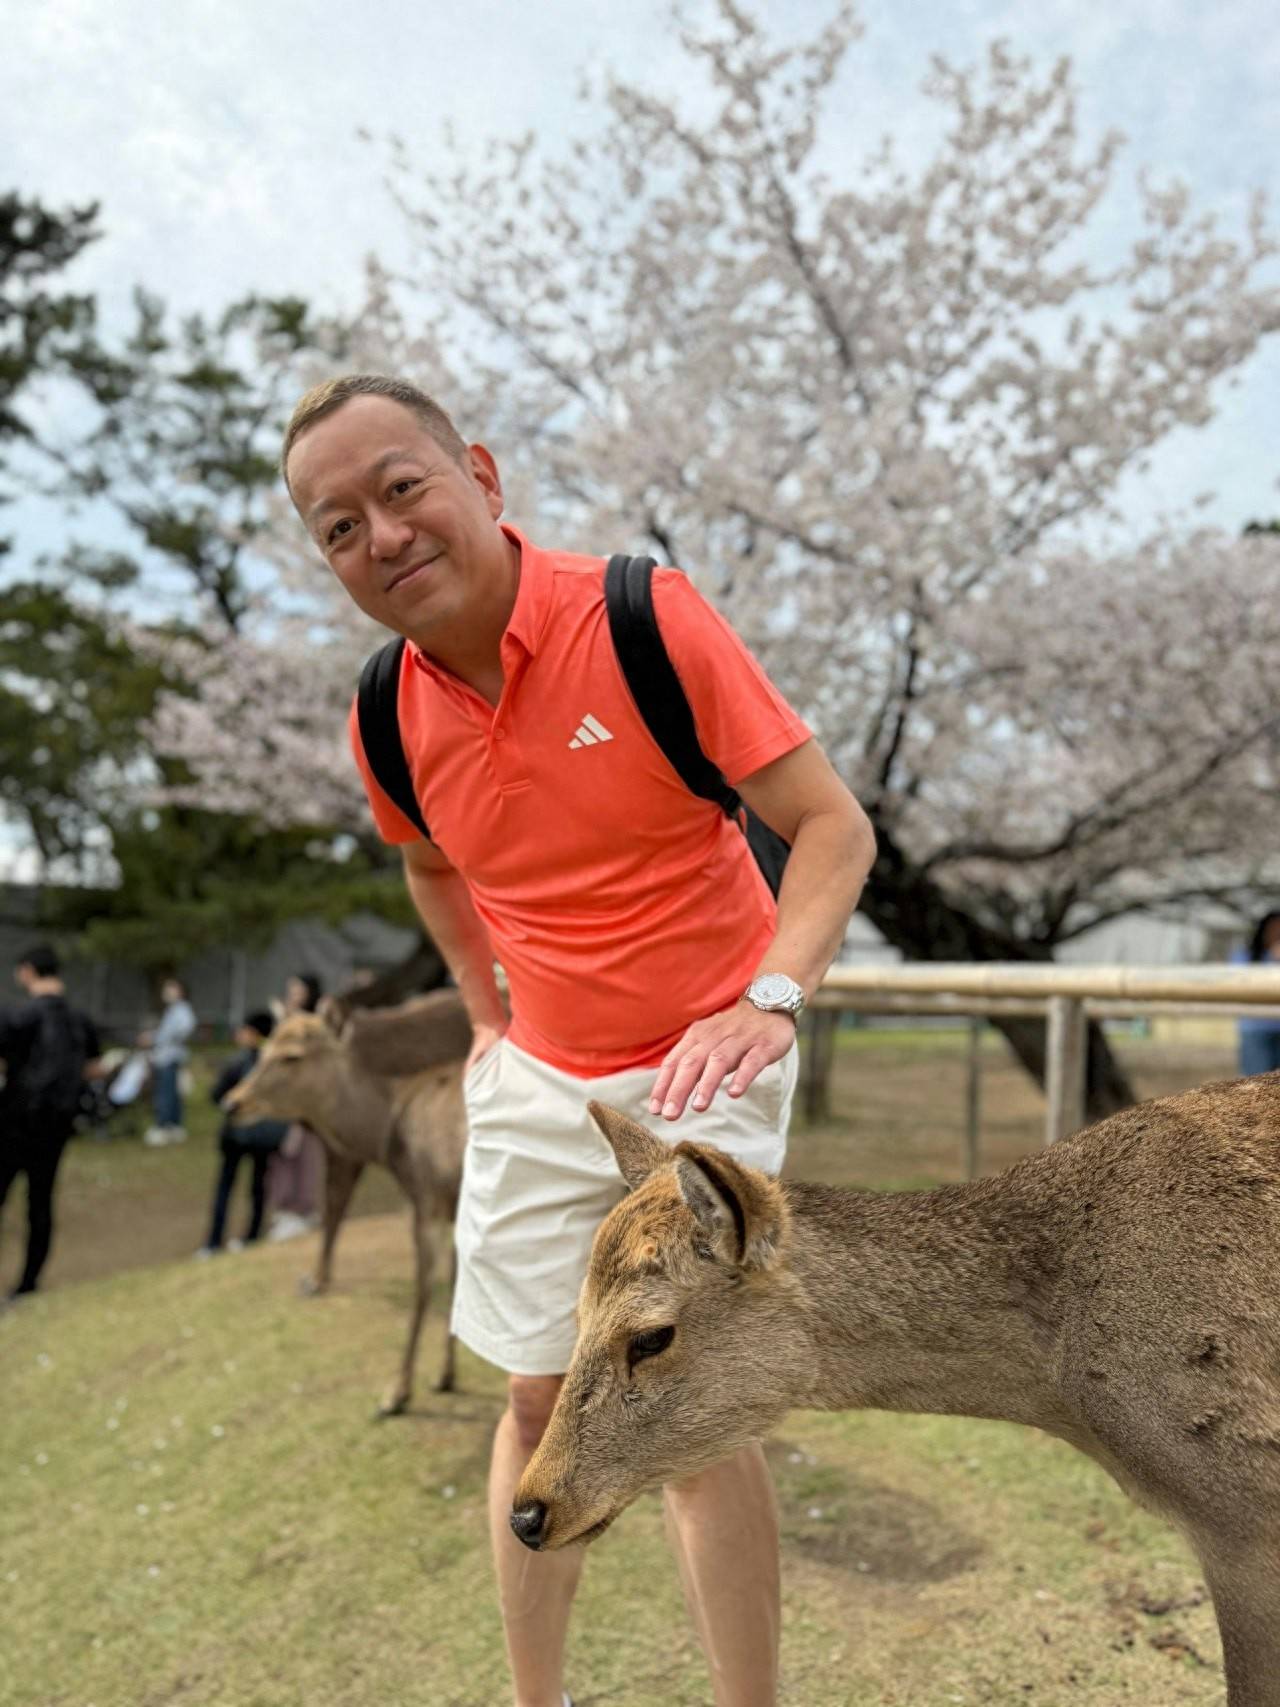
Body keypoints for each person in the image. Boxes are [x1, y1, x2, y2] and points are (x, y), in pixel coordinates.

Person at [282, 373, 876, 1707]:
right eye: (336, 528)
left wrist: (768, 997)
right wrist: (491, 1016)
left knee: (686, 1416)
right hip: (542, 1074)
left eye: (399, 487)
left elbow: (832, 825)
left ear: (480, 478)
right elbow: (434, 870)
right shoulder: (385, 712)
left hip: (697, 1066)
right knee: (541, 1401)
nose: (378, 535)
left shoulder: (640, 617)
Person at [0, 943, 101, 1299]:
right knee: (40, 1202)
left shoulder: (18, 1017)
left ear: (27, 971)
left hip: (14, 1122)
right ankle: (28, 1282)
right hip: (57, 1127)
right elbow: (93, 1068)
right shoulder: (81, 1021)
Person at [197, 1010, 290, 1256]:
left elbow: (217, 1095)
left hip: (236, 1137)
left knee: (227, 1187)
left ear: (254, 1034)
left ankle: (214, 1242)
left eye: (243, 1030)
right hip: (264, 1138)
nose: (239, 1034)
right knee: (258, 1188)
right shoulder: (277, 1064)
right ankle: (251, 1236)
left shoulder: (240, 1062)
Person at [265, 971, 325, 1241]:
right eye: (290, 991)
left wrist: (285, 1019)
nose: (292, 996)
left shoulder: (311, 1023)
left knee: (303, 1152)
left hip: (305, 1101)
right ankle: (284, 1207)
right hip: (283, 1099)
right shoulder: (288, 1020)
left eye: (297, 991)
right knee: (282, 1151)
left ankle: (301, 1207)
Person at [141, 977, 196, 1146]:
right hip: (165, 1056)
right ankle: (174, 1126)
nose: (167, 991)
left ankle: (164, 1126)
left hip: (170, 1057)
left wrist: (156, 1039)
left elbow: (184, 1029)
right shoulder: (173, 1010)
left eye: (171, 987)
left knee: (165, 1093)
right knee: (171, 1093)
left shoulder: (182, 1009)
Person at [1233, 911, 1280, 1076]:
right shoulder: (1245, 956)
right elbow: (1237, 982)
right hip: (1256, 1029)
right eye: (1273, 928)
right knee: (1254, 1084)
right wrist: (1271, 958)